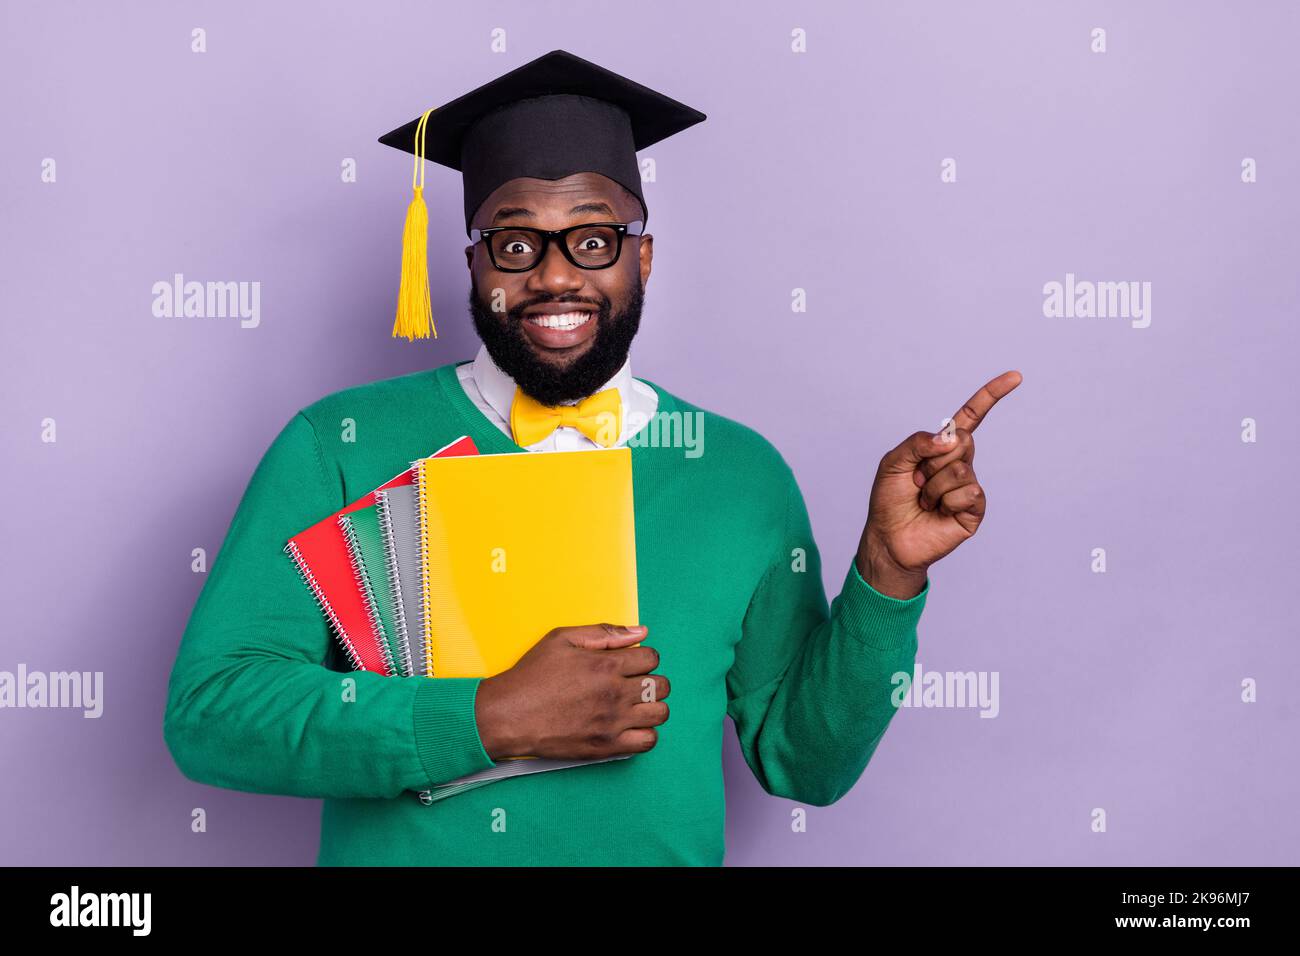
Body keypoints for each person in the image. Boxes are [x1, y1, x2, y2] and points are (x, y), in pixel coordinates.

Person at [163, 49, 1021, 866]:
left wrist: (885, 576)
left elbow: (807, 764)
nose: (554, 276)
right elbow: (212, 714)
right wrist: (487, 716)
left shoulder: (739, 474)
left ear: (641, 255)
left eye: (594, 239)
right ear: (473, 264)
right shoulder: (338, 444)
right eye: (515, 243)